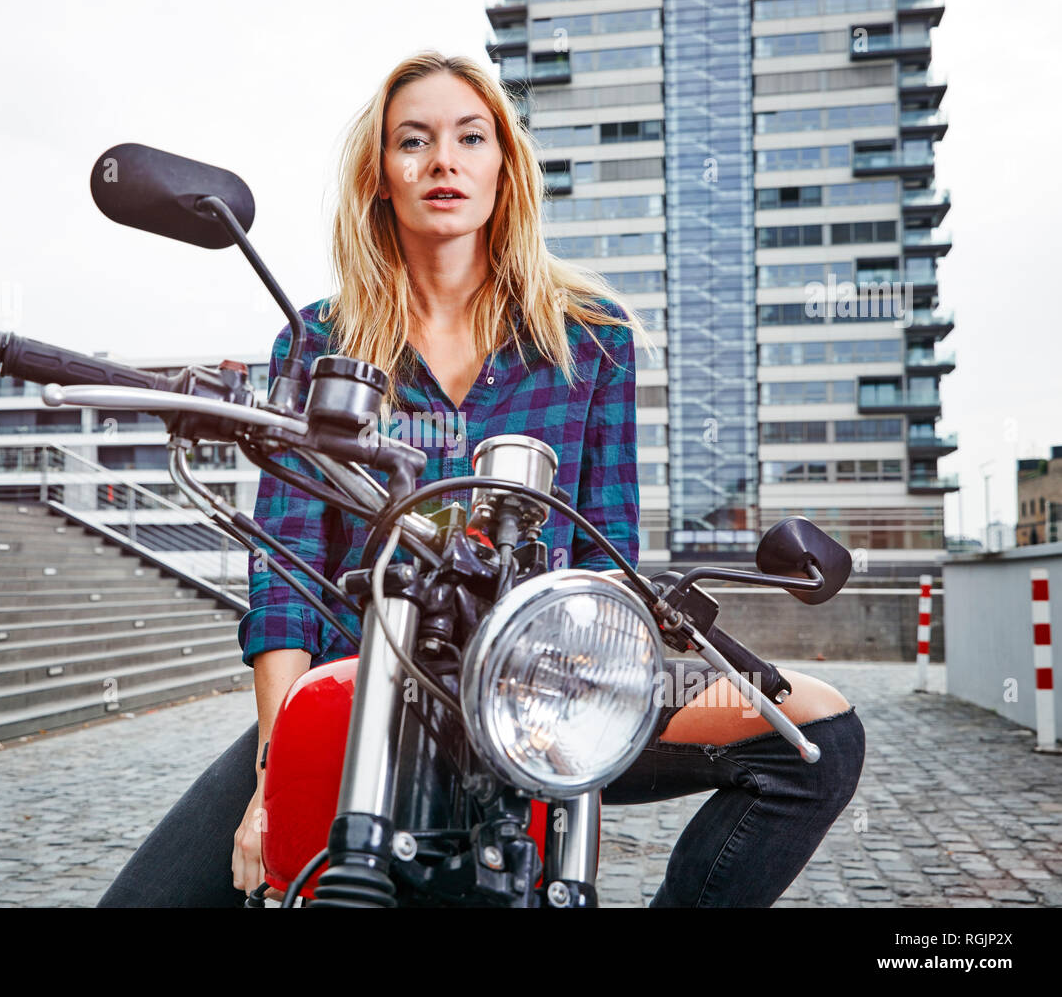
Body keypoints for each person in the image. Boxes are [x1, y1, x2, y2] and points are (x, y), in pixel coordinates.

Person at [97, 50, 865, 909]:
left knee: (818, 732)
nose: (443, 161)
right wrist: (274, 775)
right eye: (412, 142)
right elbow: (285, 577)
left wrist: (591, 699)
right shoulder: (319, 340)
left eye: (470, 137)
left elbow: (606, 549)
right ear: (380, 178)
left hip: (543, 691)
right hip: (366, 692)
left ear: (505, 165)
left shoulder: (589, 336)